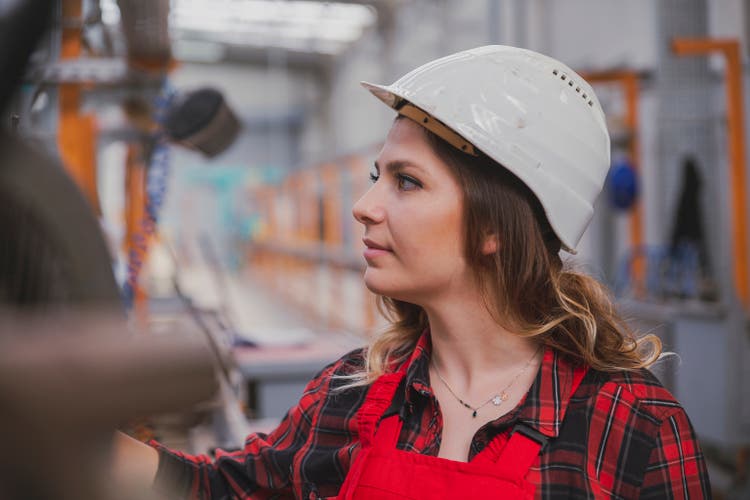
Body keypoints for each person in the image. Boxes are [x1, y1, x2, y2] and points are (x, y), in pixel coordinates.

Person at [113, 45, 711, 499]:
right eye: (379, 177)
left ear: (494, 226)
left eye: (407, 181)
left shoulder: (634, 429)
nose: (364, 206)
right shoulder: (350, 397)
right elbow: (217, 490)